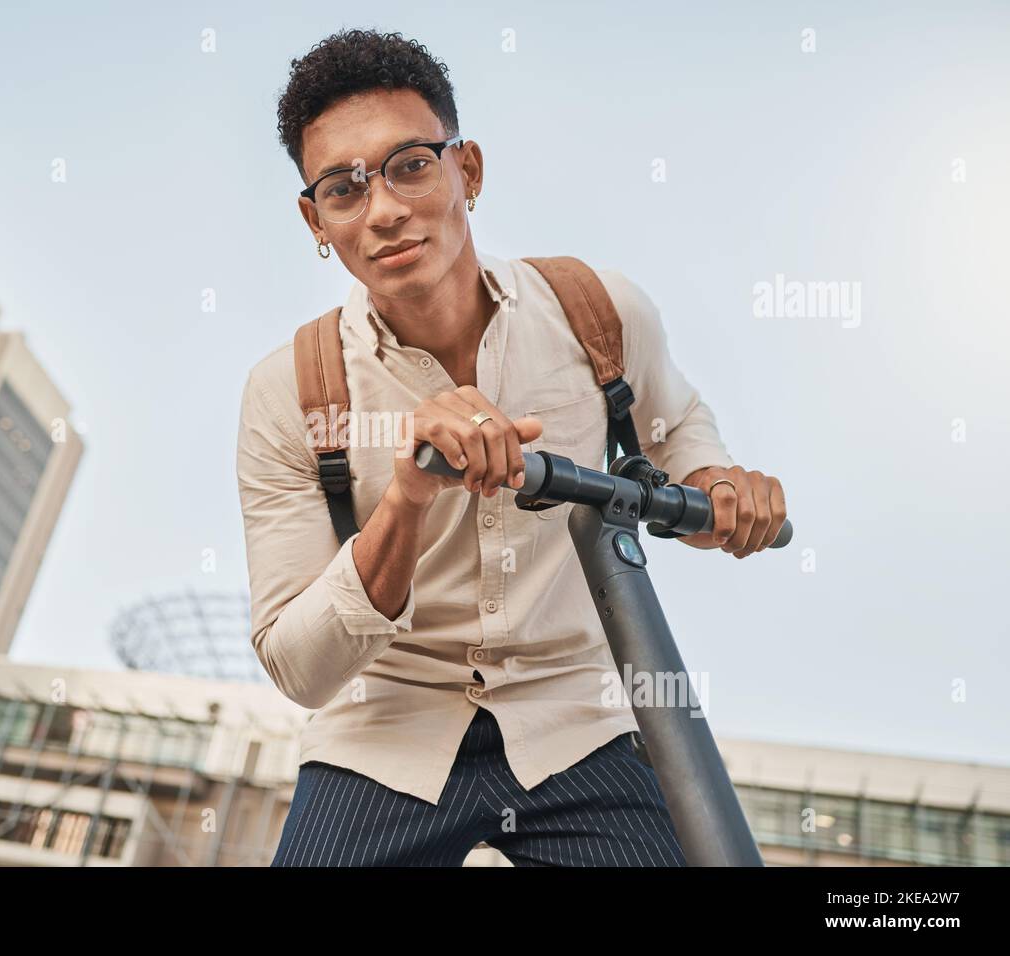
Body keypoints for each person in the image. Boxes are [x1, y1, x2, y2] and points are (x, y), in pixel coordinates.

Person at [236, 28, 787, 867]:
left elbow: (682, 449)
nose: (383, 209)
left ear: (469, 171)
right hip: (385, 734)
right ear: (317, 220)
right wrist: (408, 498)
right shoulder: (289, 391)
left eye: (411, 164)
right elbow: (299, 668)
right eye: (344, 189)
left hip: (577, 720)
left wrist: (725, 495)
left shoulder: (598, 312)